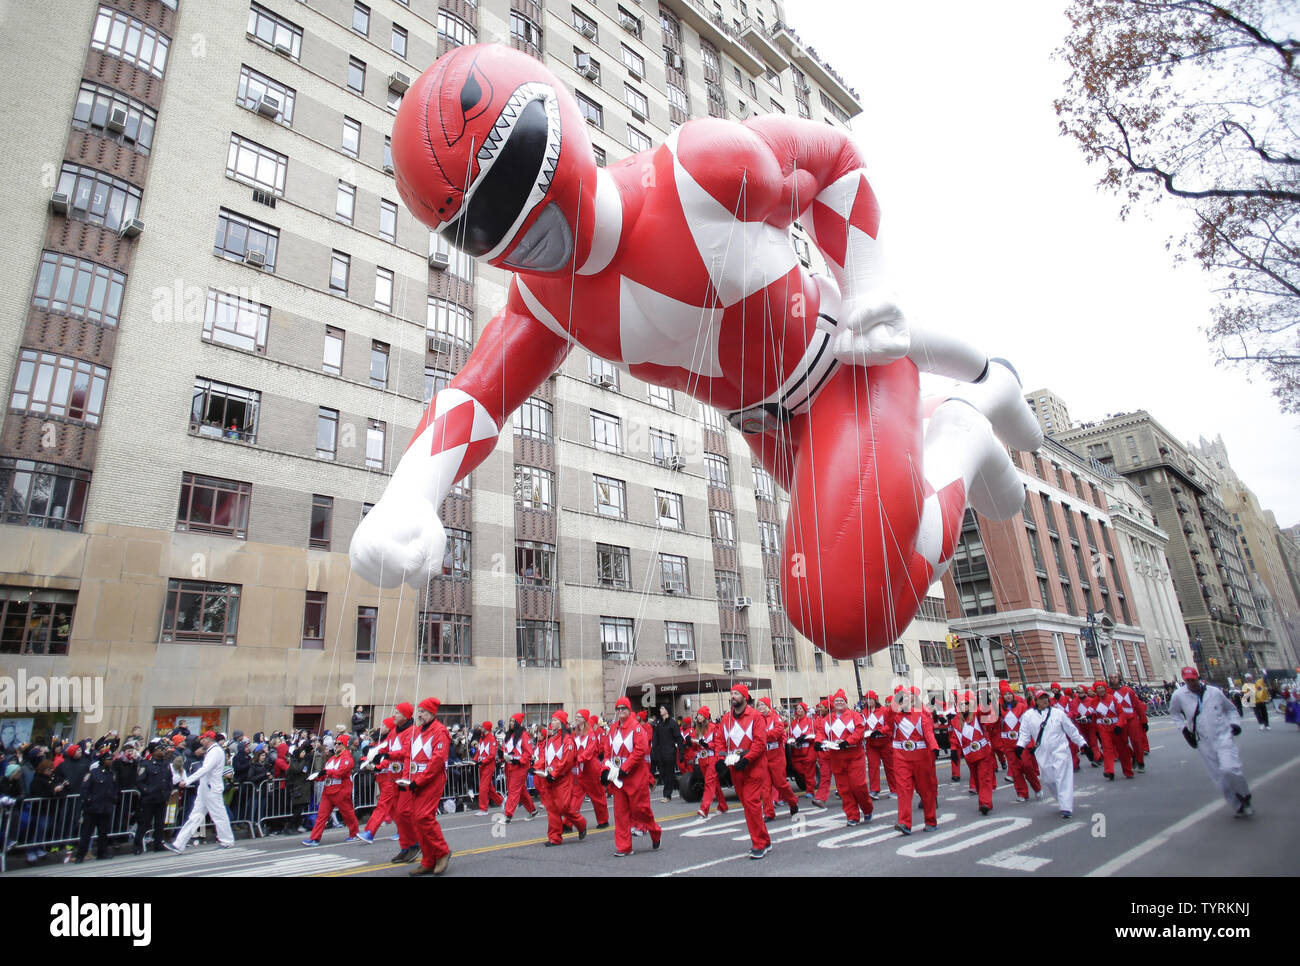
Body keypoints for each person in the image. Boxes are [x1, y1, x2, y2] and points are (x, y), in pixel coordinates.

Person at [351, 44, 1043, 671]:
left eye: (510, 190)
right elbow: (477, 395)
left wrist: (864, 280)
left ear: (551, 135)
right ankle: (967, 414)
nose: (521, 233)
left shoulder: (697, 173)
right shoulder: (542, 302)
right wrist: (411, 492)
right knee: (862, 613)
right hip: (772, 424)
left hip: (848, 378)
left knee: (844, 607)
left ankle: (957, 434)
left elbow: (836, 158)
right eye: (479, 226)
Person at [1169, 667, 1254, 818]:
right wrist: (1183, 729)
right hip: (1203, 741)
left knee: (1230, 768)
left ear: (1198, 677)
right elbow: (1174, 713)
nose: (1190, 683)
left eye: (1192, 679)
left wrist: (1235, 724)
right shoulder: (1179, 695)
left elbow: (1231, 710)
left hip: (1223, 736)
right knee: (1219, 777)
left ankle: (1244, 794)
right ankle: (1238, 805)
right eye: (1187, 680)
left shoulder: (1214, 692)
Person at [1016, 689, 1091, 819]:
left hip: (1060, 750)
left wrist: (1082, 744)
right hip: (1042, 752)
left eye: (1046, 697)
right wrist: (1020, 745)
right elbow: (1024, 734)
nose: (1045, 700)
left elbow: (1071, 730)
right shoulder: (1028, 716)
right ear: (1036, 700)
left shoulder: (1058, 713)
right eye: (1041, 698)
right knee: (1049, 779)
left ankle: (1066, 807)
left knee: (1062, 777)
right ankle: (1061, 798)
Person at [716, 685, 771, 858]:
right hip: (735, 769)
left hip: (753, 767)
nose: (733, 696)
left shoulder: (756, 717)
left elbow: (760, 742)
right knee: (748, 805)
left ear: (745, 697)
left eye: (737, 693)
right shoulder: (726, 719)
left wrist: (747, 759)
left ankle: (759, 844)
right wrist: (720, 759)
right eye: (731, 693)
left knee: (751, 804)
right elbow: (719, 741)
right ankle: (765, 839)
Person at [605, 696, 661, 856]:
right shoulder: (613, 729)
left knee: (641, 810)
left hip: (635, 777)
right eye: (618, 708)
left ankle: (655, 831)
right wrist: (605, 769)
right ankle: (624, 847)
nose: (621, 711)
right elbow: (607, 751)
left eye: (623, 708)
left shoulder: (637, 728)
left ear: (629, 710)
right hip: (618, 778)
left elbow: (640, 751)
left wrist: (624, 768)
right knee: (620, 813)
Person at [406, 697, 452, 875]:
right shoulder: (418, 731)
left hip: (431, 780)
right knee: (417, 820)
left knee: (424, 816)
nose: (419, 714)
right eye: (419, 711)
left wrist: (419, 781)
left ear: (432, 713)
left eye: (423, 712)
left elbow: (437, 760)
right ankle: (428, 859)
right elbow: (409, 756)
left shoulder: (439, 731)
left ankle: (442, 852)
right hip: (417, 780)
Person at [165, 731, 234, 852]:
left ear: (208, 738)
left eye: (203, 739)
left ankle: (227, 840)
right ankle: (179, 843)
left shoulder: (215, 751)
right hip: (205, 788)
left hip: (211, 788)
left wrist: (187, 781)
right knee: (195, 816)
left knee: (218, 815)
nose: (201, 741)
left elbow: (205, 769)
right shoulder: (213, 751)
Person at [819, 690, 874, 827]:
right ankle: (852, 815)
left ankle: (867, 808)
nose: (838, 703)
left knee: (858, 785)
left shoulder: (854, 715)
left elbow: (860, 730)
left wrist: (848, 742)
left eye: (841, 700)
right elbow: (821, 732)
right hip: (836, 757)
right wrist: (818, 743)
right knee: (844, 789)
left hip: (854, 755)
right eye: (836, 701)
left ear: (846, 702)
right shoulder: (828, 718)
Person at [535, 711, 587, 846]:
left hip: (562, 778)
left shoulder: (567, 740)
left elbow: (567, 761)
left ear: (561, 723)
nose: (552, 723)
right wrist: (535, 767)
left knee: (563, 807)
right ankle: (554, 837)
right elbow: (545, 759)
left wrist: (554, 774)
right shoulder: (550, 739)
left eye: (555, 720)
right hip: (550, 778)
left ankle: (581, 823)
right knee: (551, 808)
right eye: (552, 720)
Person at [891, 687, 939, 835]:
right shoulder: (893, 716)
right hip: (901, 759)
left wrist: (934, 747)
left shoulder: (921, 714)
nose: (903, 701)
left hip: (922, 758)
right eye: (900, 699)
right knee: (903, 791)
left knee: (926, 790)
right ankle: (904, 822)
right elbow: (886, 716)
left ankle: (930, 820)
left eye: (906, 698)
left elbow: (928, 732)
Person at [950, 690, 996, 815]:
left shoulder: (976, 715)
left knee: (984, 778)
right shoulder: (955, 720)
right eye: (961, 704)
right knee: (976, 779)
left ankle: (985, 803)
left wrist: (985, 701)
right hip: (969, 755)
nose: (963, 706)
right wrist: (954, 750)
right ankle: (983, 800)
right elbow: (955, 736)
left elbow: (986, 712)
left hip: (983, 753)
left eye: (965, 704)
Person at [756, 697, 800, 820]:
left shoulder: (775, 718)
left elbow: (778, 732)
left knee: (780, 783)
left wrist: (763, 736)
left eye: (763, 705)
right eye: (759, 705)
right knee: (765, 786)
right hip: (763, 757)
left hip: (777, 757)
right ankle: (769, 812)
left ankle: (793, 802)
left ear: (768, 706)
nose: (761, 707)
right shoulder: (756, 720)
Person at [73, 747, 118, 863]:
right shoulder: (93, 773)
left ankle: (102, 853)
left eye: (111, 759)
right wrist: (89, 800)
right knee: (86, 834)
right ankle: (80, 855)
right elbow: (84, 789)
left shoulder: (111, 774)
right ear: (103, 760)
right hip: (92, 809)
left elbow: (114, 789)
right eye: (108, 759)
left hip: (105, 808)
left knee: (103, 833)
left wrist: (113, 799)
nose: (110, 761)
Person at [359, 717, 400, 841]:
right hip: (381, 778)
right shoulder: (381, 742)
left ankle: (369, 832)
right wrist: (366, 761)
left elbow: (389, 758)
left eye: (383, 725)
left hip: (388, 777)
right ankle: (404, 830)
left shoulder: (391, 741)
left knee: (382, 805)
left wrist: (377, 766)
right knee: (393, 808)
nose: (381, 727)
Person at [133, 739, 174, 854]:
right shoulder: (146, 764)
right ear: (154, 751)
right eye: (160, 749)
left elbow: (169, 779)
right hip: (149, 799)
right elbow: (140, 782)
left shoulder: (165, 764)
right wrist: (148, 791)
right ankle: (137, 845)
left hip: (161, 798)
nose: (163, 751)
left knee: (159, 823)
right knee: (144, 823)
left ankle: (158, 843)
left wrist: (167, 791)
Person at [689, 707, 729, 819]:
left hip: (712, 759)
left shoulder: (713, 728)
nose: (698, 717)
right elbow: (695, 746)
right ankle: (723, 805)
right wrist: (690, 742)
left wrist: (708, 745)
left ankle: (704, 808)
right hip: (702, 760)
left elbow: (718, 744)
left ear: (706, 717)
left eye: (701, 715)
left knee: (709, 782)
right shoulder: (697, 729)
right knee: (714, 783)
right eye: (698, 715)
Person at [1090, 681, 1133, 781]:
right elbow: (1094, 716)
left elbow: (1121, 713)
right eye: (1098, 688)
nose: (1100, 690)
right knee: (1107, 749)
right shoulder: (1094, 701)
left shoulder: (1112, 698)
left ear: (1105, 688)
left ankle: (1128, 771)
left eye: (1101, 688)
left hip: (1116, 727)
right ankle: (1109, 771)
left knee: (1122, 749)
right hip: (1103, 728)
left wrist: (1119, 725)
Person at [571, 713, 609, 827]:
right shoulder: (575, 733)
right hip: (579, 769)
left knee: (597, 795)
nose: (576, 718)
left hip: (591, 768)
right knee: (576, 796)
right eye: (576, 716)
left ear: (584, 719)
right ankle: (568, 822)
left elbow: (590, 749)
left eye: (579, 716)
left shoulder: (590, 733)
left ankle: (603, 820)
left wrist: (579, 758)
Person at [501, 713, 538, 822]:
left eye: (513, 721)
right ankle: (533, 810)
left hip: (520, 766)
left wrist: (518, 760)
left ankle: (508, 815)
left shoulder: (524, 735)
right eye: (510, 721)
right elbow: (506, 749)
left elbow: (528, 753)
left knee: (513, 790)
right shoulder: (509, 735)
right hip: (510, 765)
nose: (511, 723)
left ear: (517, 723)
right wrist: (503, 754)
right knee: (520, 790)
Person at [861, 691, 895, 798]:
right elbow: (861, 726)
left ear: (875, 700)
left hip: (885, 742)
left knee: (890, 767)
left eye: (871, 699)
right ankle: (874, 790)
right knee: (873, 767)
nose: (868, 701)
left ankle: (895, 789)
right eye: (866, 699)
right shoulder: (863, 713)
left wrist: (880, 731)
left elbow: (889, 725)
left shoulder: (884, 711)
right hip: (871, 744)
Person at [651, 705, 683, 803]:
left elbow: (679, 738)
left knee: (669, 774)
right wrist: (654, 751)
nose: (660, 710)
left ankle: (667, 795)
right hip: (660, 753)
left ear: (667, 711)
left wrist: (681, 752)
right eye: (660, 708)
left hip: (670, 752)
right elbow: (655, 738)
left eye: (662, 708)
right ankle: (681, 786)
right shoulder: (659, 723)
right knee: (664, 774)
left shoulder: (673, 723)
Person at [472, 720, 504, 815]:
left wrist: (482, 761)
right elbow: (479, 751)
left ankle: (483, 808)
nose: (480, 728)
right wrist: (475, 760)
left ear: (486, 728)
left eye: (482, 727)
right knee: (489, 788)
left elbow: (492, 755)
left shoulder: (492, 739)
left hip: (488, 766)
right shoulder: (482, 738)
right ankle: (500, 801)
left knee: (483, 787)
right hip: (482, 766)